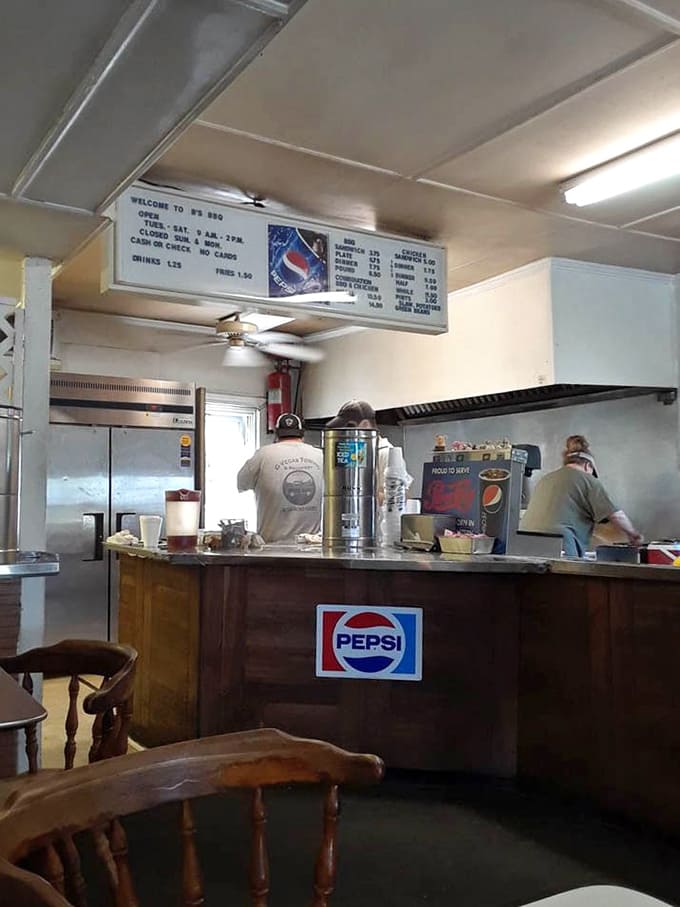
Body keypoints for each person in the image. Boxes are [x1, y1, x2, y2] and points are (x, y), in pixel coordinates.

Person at [521, 435, 642, 557]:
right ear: (587, 466)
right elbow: (616, 516)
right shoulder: (588, 480)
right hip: (559, 545)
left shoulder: (545, 479)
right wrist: (634, 535)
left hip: (521, 542)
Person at [237, 412, 323, 544]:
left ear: (276, 434)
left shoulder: (263, 454)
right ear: (302, 434)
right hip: (312, 548)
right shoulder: (320, 456)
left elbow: (241, 484)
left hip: (272, 550)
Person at [326, 399, 413, 499]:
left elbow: (402, 497)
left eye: (349, 427)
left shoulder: (386, 453)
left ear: (365, 425)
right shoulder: (355, 454)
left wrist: (367, 493)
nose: (345, 434)